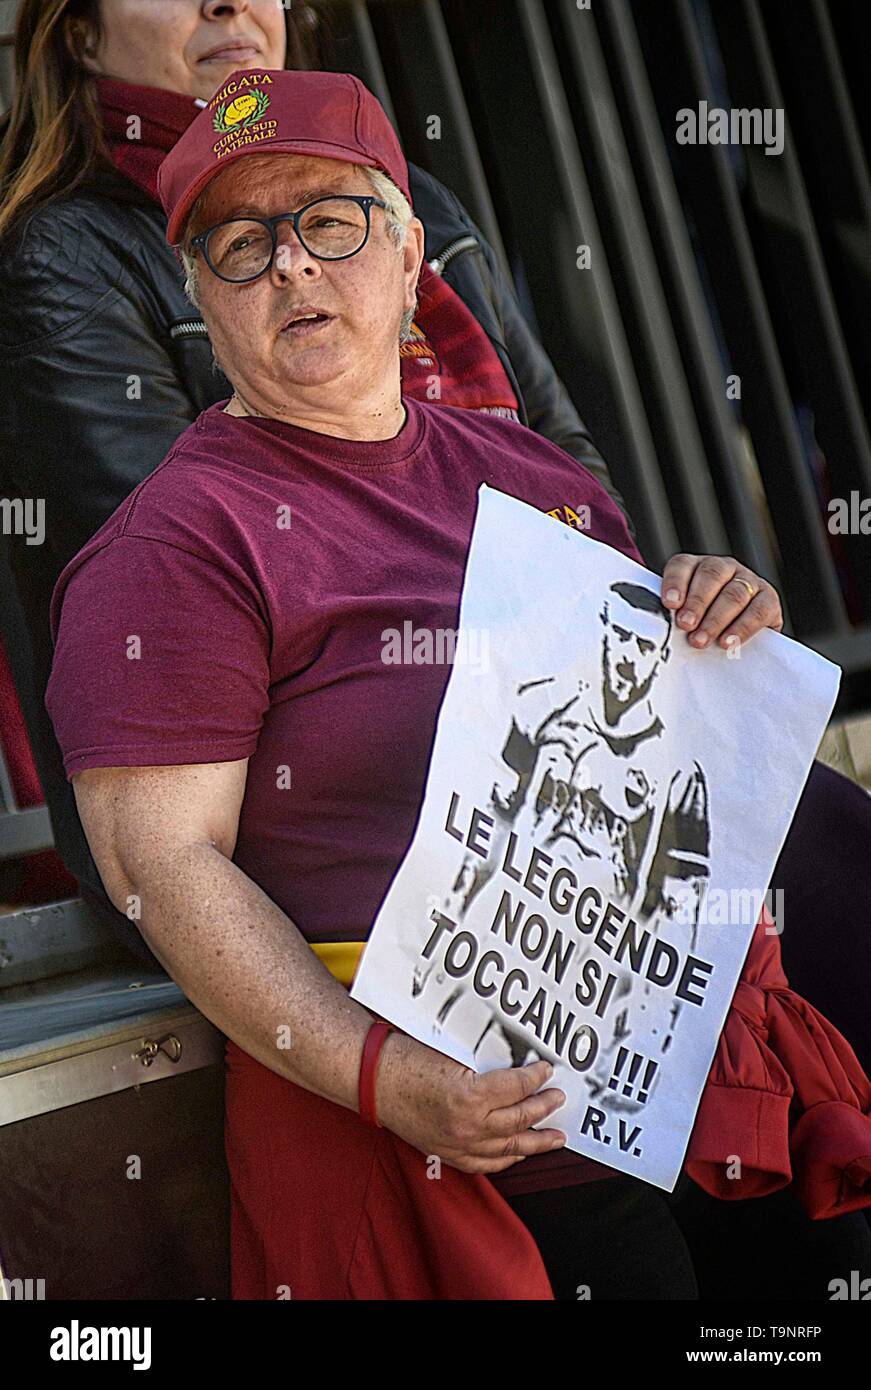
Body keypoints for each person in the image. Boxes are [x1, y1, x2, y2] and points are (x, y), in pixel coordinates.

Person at [45, 68, 871, 1300]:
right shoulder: (179, 542)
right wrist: (389, 1076)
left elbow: (644, 749)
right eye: (239, 243)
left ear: (410, 245)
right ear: (197, 299)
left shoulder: (531, 470)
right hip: (491, 1158)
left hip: (692, 1090)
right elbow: (163, 868)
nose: (290, 266)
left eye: (329, 220)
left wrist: (705, 617)